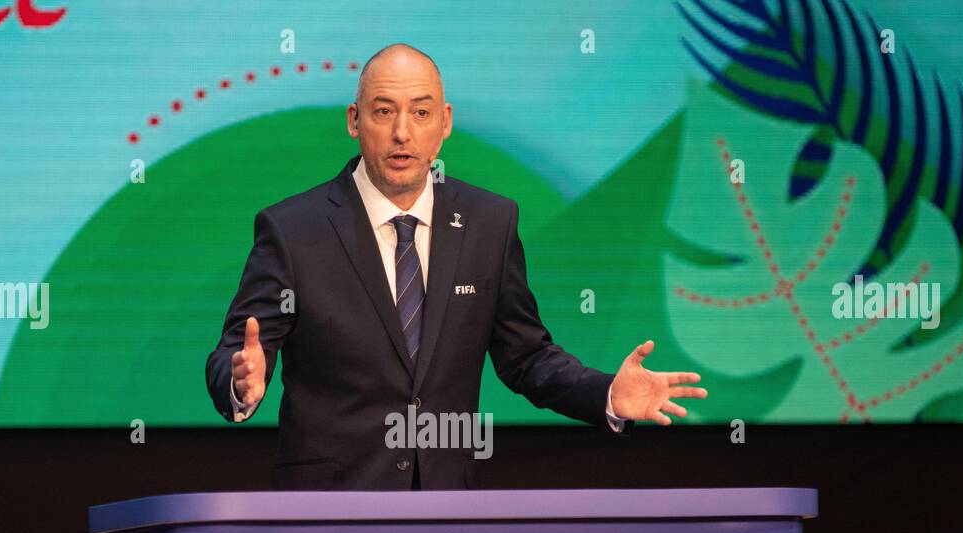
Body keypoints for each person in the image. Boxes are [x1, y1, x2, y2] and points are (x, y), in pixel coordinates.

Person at [206, 43, 707, 490]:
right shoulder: (293, 229)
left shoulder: (490, 222)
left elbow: (526, 357)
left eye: (420, 113)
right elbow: (236, 349)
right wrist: (239, 379)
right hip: (329, 512)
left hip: (446, 508)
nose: (403, 132)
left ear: (444, 123)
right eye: (384, 111)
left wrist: (607, 394)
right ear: (354, 120)